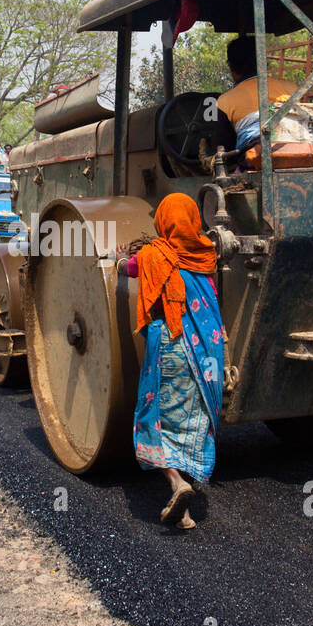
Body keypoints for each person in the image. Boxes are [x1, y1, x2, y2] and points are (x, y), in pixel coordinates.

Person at [114, 193, 224, 529]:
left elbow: (127, 267)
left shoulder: (152, 255)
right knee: (193, 420)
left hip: (170, 347)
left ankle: (177, 484)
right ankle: (186, 508)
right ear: (193, 220)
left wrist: (119, 259)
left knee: (156, 416)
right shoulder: (206, 255)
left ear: (162, 221)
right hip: (207, 353)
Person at [209, 35, 298, 158]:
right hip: (300, 153)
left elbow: (221, 148)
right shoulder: (292, 88)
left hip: (255, 161)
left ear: (231, 67)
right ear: (264, 62)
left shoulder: (224, 101)